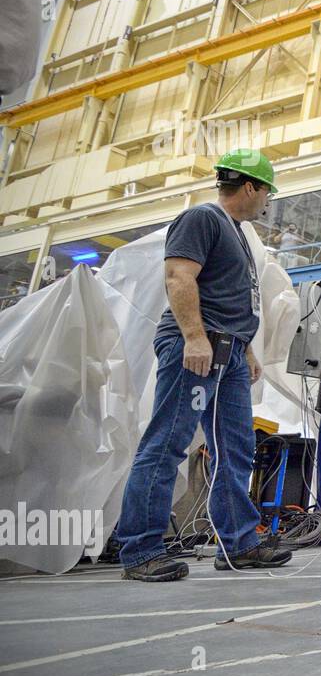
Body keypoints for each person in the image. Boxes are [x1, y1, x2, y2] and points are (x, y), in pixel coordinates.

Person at [116, 149, 291, 581]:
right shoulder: (203, 219)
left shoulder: (237, 234)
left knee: (236, 448)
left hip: (228, 352)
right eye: (266, 191)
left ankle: (239, 543)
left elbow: (233, 298)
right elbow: (178, 276)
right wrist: (195, 337)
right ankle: (140, 551)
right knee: (168, 443)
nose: (267, 201)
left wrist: (246, 350)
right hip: (198, 347)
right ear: (250, 186)